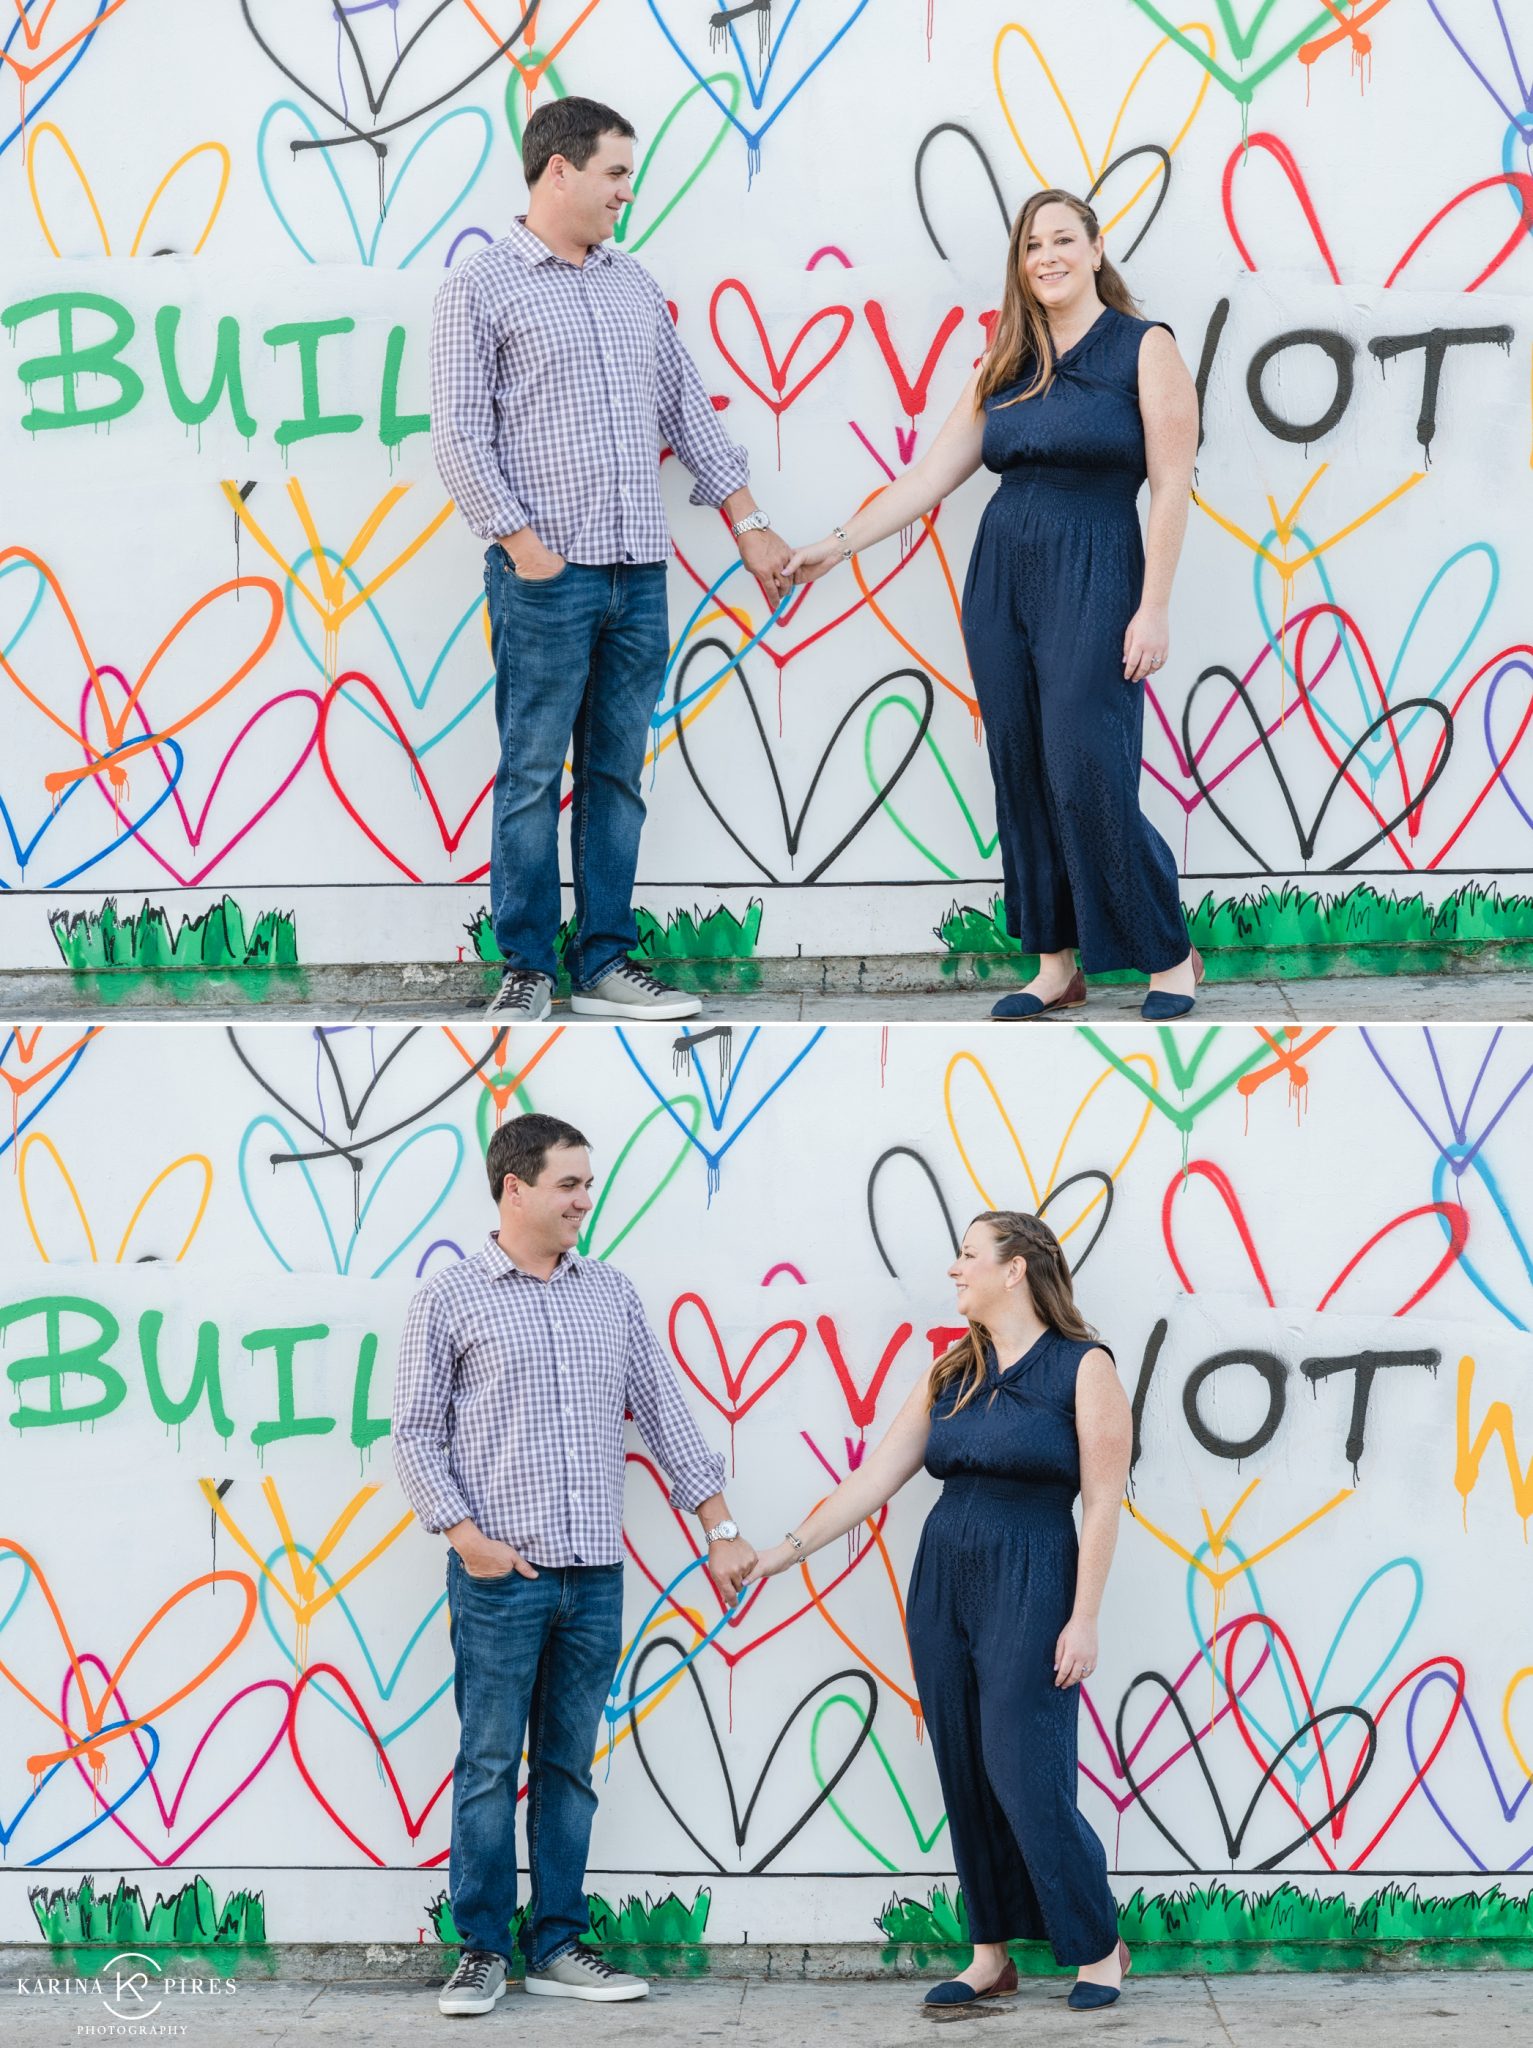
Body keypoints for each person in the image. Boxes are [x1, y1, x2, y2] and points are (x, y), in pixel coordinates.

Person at [784, 188, 1203, 1021]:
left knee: (1087, 770)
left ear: (1094, 249)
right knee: (1023, 770)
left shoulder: (1143, 346)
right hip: (1002, 579)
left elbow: (1170, 485)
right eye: (1031, 245)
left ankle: (1168, 952)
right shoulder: (1004, 360)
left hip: (1096, 571)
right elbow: (927, 478)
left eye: (1062, 240)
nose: (1046, 257)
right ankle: (1054, 966)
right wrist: (835, 545)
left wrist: (1152, 606)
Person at [430, 97, 794, 1024]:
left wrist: (748, 521)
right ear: (559, 170)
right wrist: (523, 547)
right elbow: (459, 434)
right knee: (530, 775)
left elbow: (686, 410)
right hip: (546, 579)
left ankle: (603, 963)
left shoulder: (631, 284)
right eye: (616, 173)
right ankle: (526, 967)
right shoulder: (480, 285)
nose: (627, 192)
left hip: (638, 573)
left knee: (616, 777)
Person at [392, 1112, 756, 2017]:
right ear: (514, 1188)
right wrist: (465, 1538)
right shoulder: (450, 1297)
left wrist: (719, 1526)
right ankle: (482, 1949)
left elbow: (663, 1411)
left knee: (568, 1769)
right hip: (498, 1579)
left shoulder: (611, 1294)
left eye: (587, 1184)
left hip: (593, 1576)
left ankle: (557, 1943)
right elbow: (414, 1433)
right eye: (569, 1184)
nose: (584, 1201)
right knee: (486, 1765)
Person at [746, 1211, 1134, 2012]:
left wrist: (1085, 1616)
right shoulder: (950, 1372)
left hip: (1032, 1577)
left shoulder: (1082, 1365)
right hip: (943, 1581)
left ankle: (1099, 1946)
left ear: (1015, 1269)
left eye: (967, 1255)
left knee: (1025, 1771)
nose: (954, 1269)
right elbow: (873, 1479)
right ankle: (990, 1954)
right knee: (965, 1768)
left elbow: (1102, 1500)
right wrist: (782, 1552)